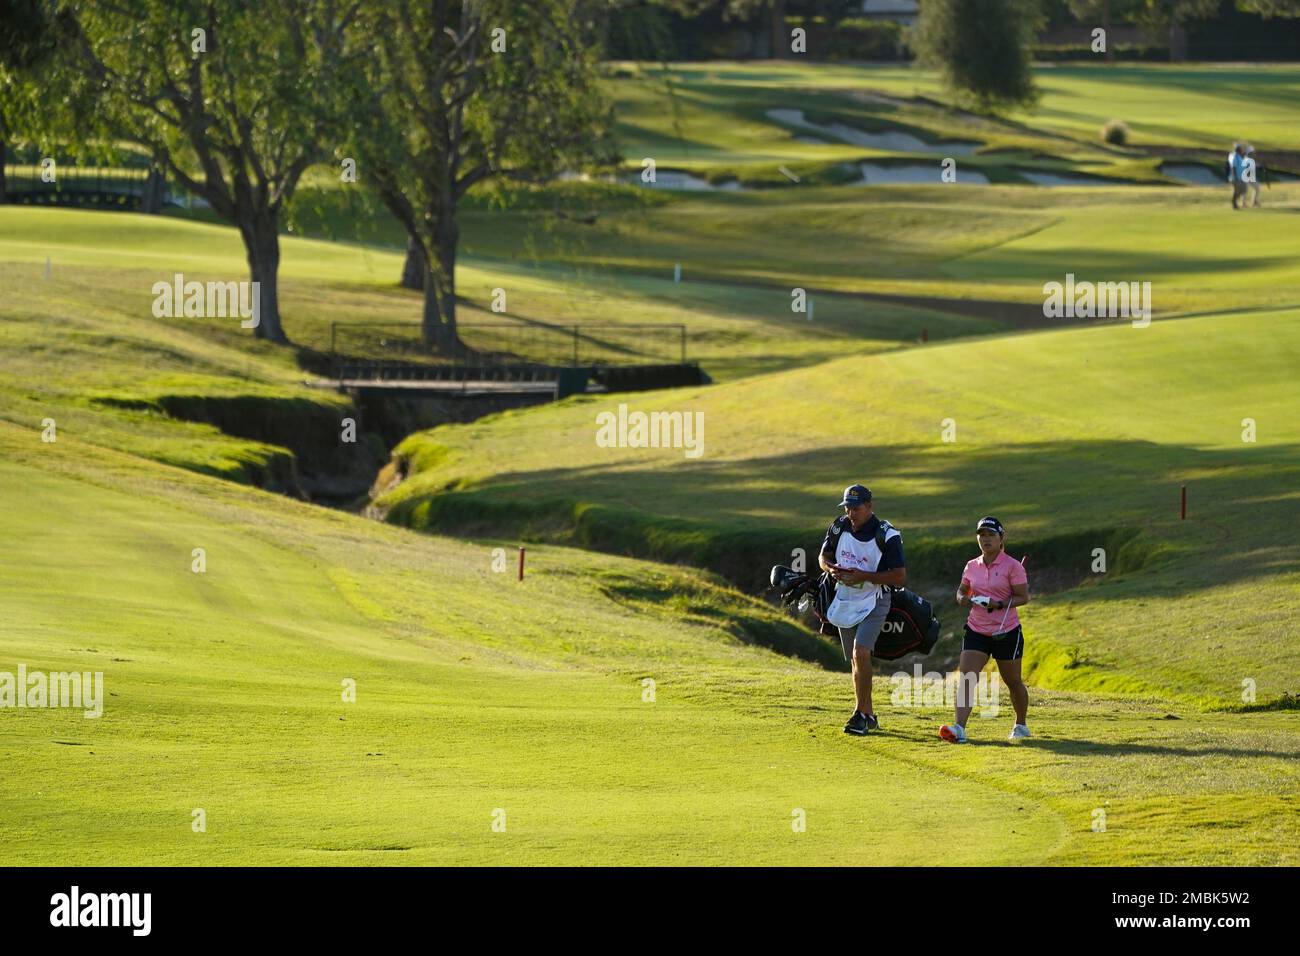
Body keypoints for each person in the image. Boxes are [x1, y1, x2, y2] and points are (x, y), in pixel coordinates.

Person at [819, 484, 906, 736]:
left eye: (855, 508)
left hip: (875, 598)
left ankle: (860, 712)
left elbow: (899, 577)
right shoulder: (840, 525)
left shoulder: (887, 534)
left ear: (870, 506)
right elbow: (823, 556)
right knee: (856, 659)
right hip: (846, 597)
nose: (850, 512)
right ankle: (867, 715)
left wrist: (864, 576)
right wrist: (831, 569)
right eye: (847, 507)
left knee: (862, 651)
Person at [940, 517, 1030, 743]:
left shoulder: (1013, 566)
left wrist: (997, 604)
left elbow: (1023, 597)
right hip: (976, 629)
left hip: (1006, 630)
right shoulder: (972, 565)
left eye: (991, 535)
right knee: (967, 677)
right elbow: (961, 591)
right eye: (982, 534)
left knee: (1013, 681)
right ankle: (959, 728)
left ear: (1001, 539)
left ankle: (1021, 724)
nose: (986, 539)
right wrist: (964, 599)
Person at [1230, 143, 1248, 210]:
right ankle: (1234, 203)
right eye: (1241, 148)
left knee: (1243, 190)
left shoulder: (1240, 156)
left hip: (1241, 177)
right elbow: (1233, 167)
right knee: (1236, 191)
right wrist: (1235, 177)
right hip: (1236, 177)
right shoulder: (1234, 156)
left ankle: (1234, 201)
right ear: (1238, 149)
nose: (1242, 149)